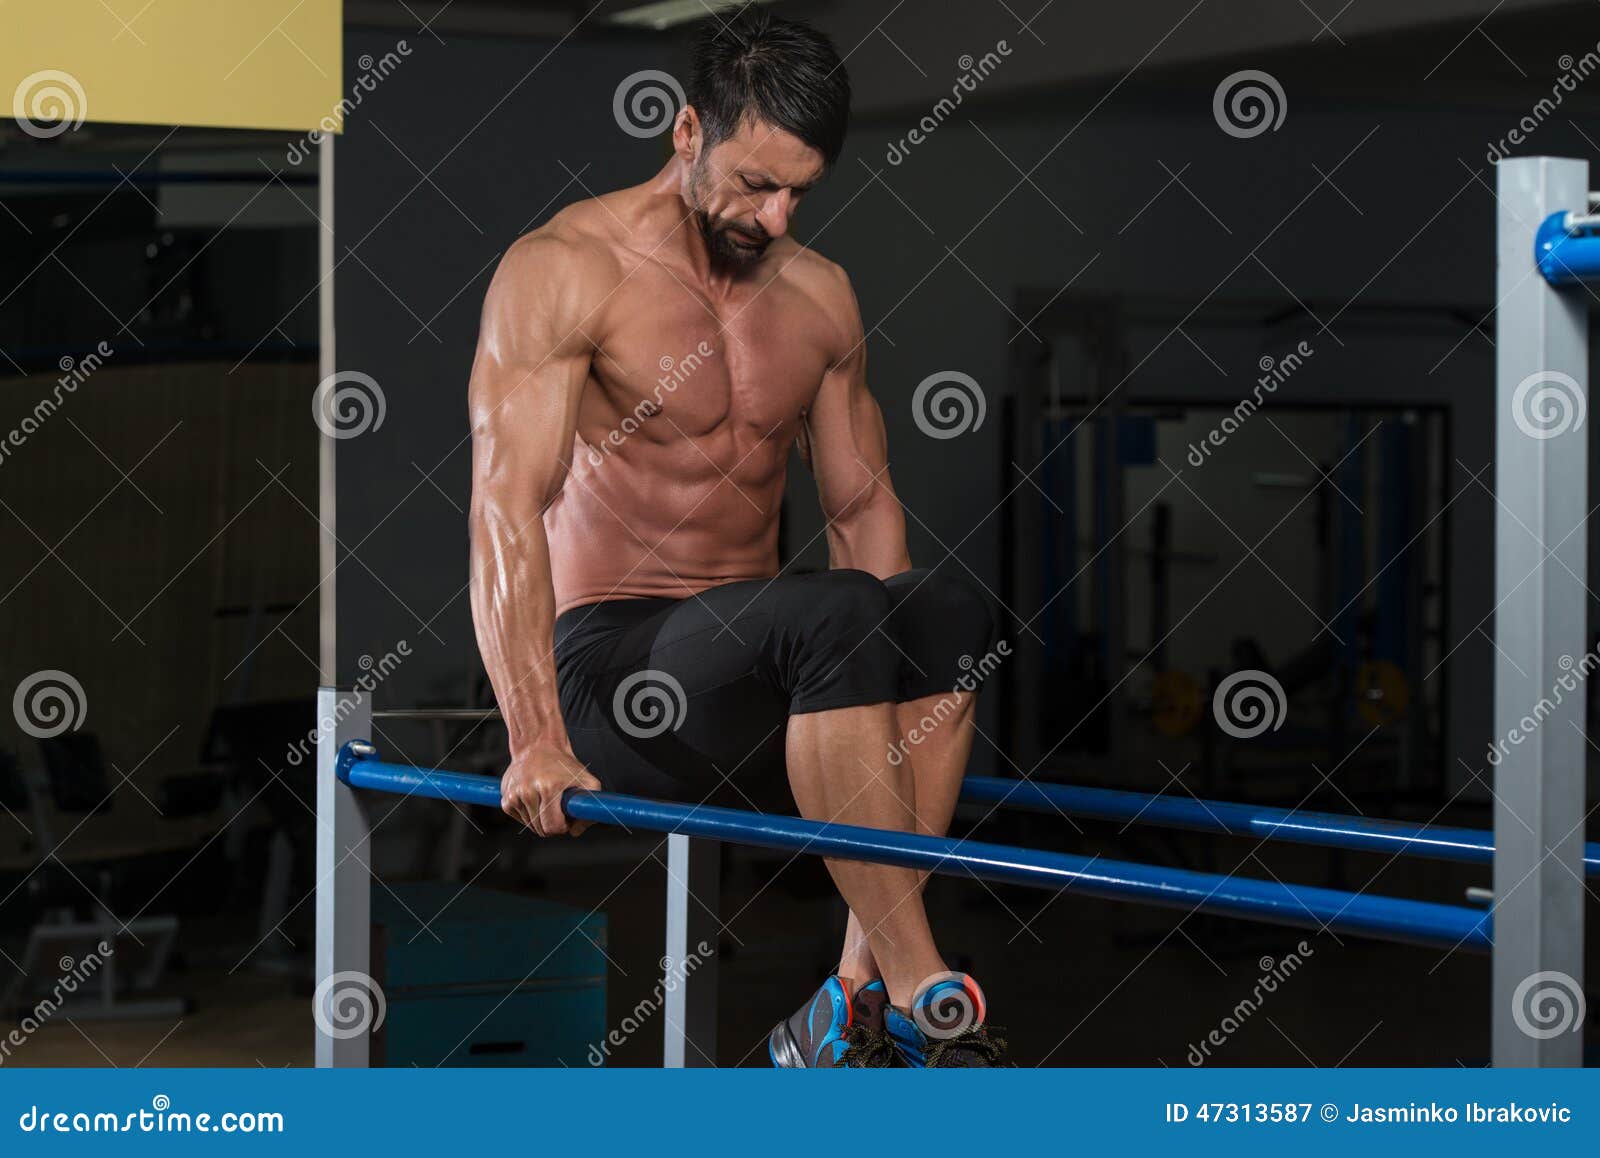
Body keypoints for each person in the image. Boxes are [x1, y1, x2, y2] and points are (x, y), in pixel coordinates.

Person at [467, 4, 1003, 1068]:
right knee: (839, 613)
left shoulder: (820, 298)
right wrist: (533, 733)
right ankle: (921, 993)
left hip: (773, 690)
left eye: (800, 191)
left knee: (944, 611)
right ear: (686, 130)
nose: (775, 215)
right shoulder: (565, 267)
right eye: (756, 183)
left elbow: (860, 511)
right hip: (615, 682)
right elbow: (503, 506)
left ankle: (856, 996)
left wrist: (896, 673)